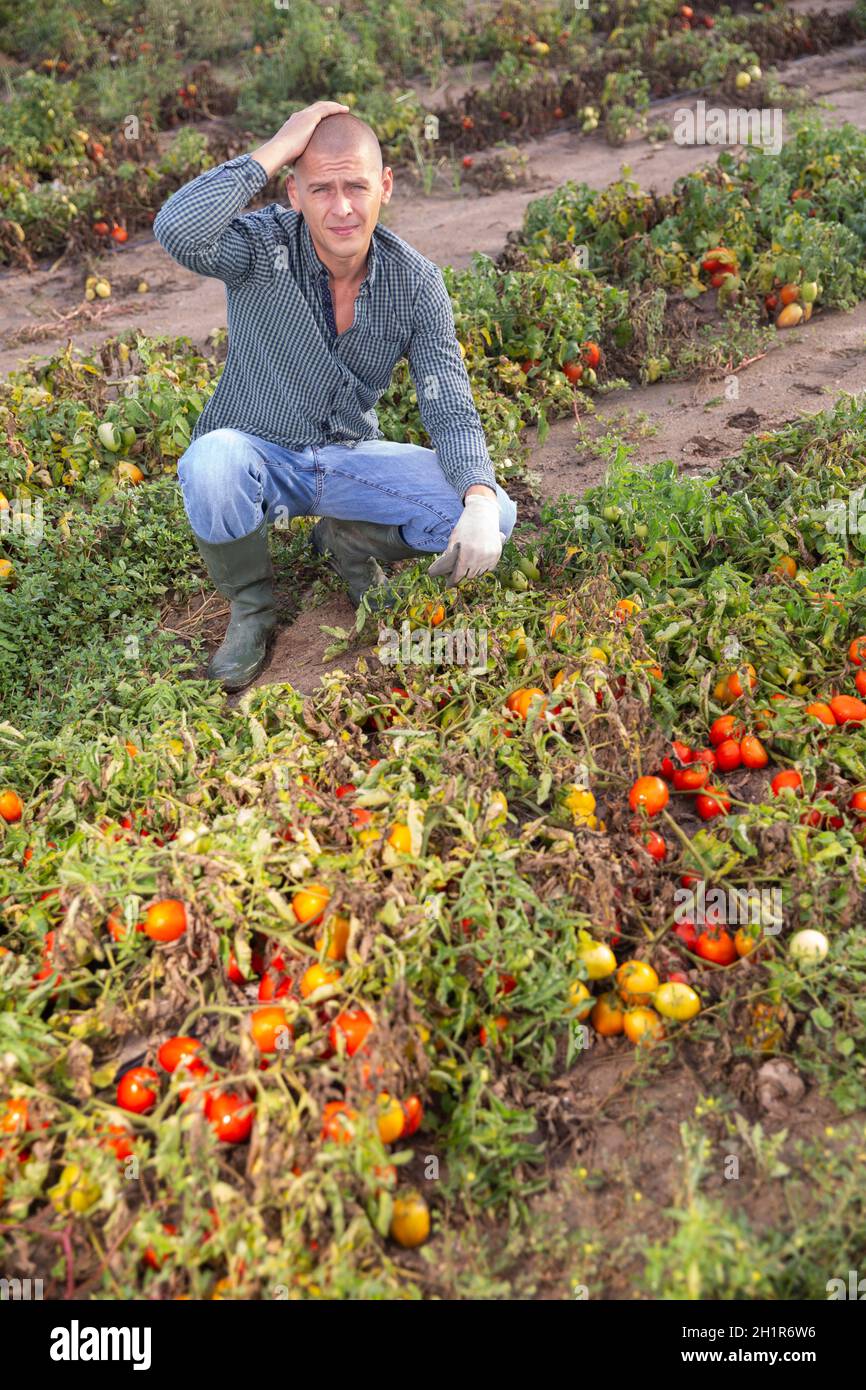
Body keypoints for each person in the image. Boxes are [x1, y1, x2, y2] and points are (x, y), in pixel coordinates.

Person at [153, 100, 517, 690]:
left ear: (386, 187)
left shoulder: (415, 282)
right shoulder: (259, 248)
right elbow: (177, 229)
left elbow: (447, 401)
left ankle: (350, 537)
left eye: (357, 186)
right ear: (293, 194)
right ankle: (251, 609)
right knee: (212, 461)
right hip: (260, 457)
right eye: (321, 188)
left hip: (350, 460)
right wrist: (278, 146)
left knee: (496, 512)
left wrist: (475, 497)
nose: (342, 207)